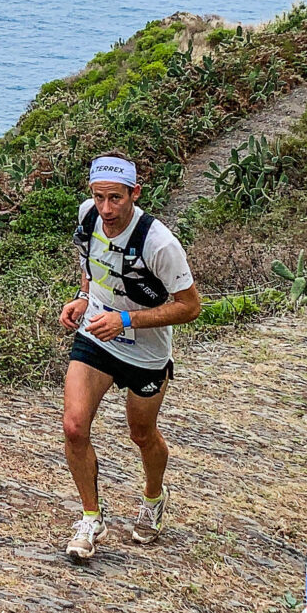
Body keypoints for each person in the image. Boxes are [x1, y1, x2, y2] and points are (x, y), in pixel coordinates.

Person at [57, 152, 201, 562]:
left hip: (146, 353)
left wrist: (127, 319)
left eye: (116, 198)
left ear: (135, 193)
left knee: (142, 434)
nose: (107, 209)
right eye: (100, 197)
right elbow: (91, 263)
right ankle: (90, 518)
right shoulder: (88, 217)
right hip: (97, 338)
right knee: (73, 426)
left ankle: (154, 497)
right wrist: (84, 298)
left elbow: (190, 307)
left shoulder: (160, 244)